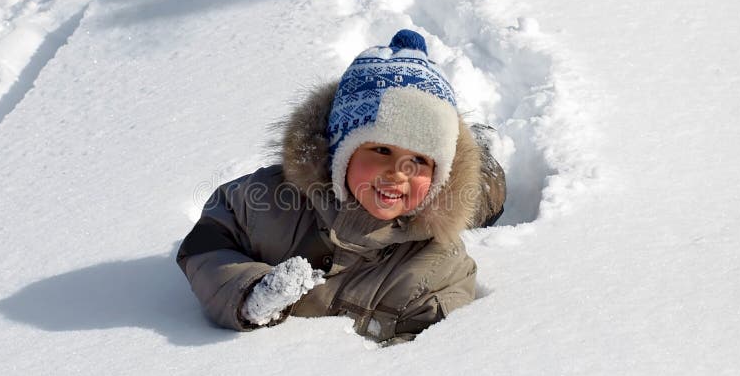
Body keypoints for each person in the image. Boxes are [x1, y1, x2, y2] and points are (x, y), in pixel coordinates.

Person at [176, 29, 506, 345]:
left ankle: (482, 152)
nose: (398, 172)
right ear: (340, 153)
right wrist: (249, 292)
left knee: (479, 194)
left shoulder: (438, 267)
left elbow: (436, 360)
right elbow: (208, 240)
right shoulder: (272, 201)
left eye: (419, 159)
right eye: (381, 150)